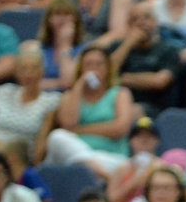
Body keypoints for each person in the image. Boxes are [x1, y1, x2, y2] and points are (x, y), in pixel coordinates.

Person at [41, 45, 140, 178]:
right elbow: (69, 124)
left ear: (108, 68)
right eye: (88, 64)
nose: (93, 69)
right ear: (80, 68)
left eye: (99, 64)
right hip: (74, 159)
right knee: (57, 136)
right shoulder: (69, 96)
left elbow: (120, 128)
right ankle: (94, 169)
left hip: (110, 159)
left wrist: (80, 130)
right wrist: (79, 86)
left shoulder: (120, 93)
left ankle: (91, 168)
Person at [110, 2, 180, 116]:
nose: (141, 22)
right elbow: (106, 73)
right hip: (115, 103)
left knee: (128, 112)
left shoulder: (169, 50)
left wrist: (121, 79)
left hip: (153, 107)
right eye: (134, 19)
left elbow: (159, 81)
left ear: (155, 22)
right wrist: (128, 43)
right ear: (128, 25)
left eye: (146, 17)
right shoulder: (117, 47)